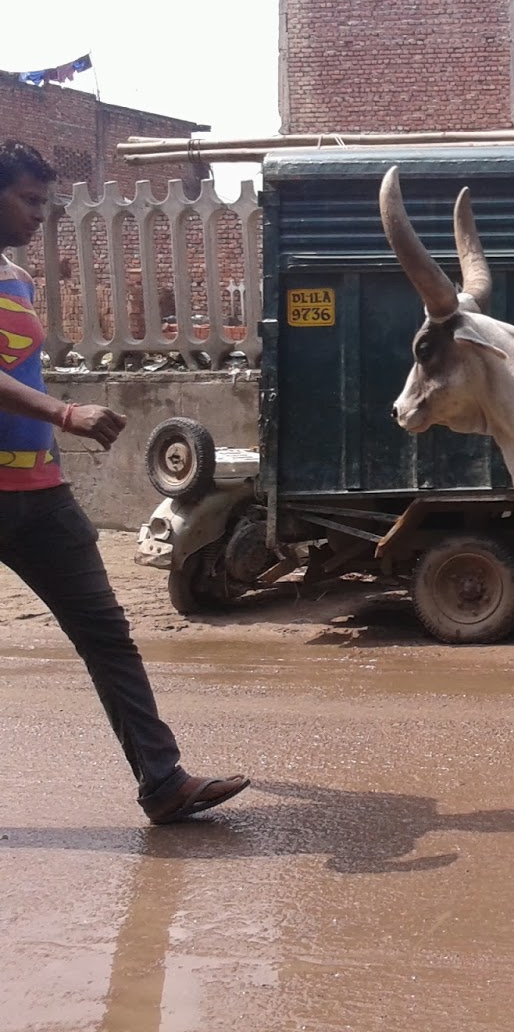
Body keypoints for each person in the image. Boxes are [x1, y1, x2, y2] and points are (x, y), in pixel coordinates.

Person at [0, 140, 248, 824]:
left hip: (39, 495)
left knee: (107, 633)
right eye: (27, 200)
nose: (39, 216)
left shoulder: (13, 277)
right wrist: (65, 411)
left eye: (45, 203)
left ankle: (164, 783)